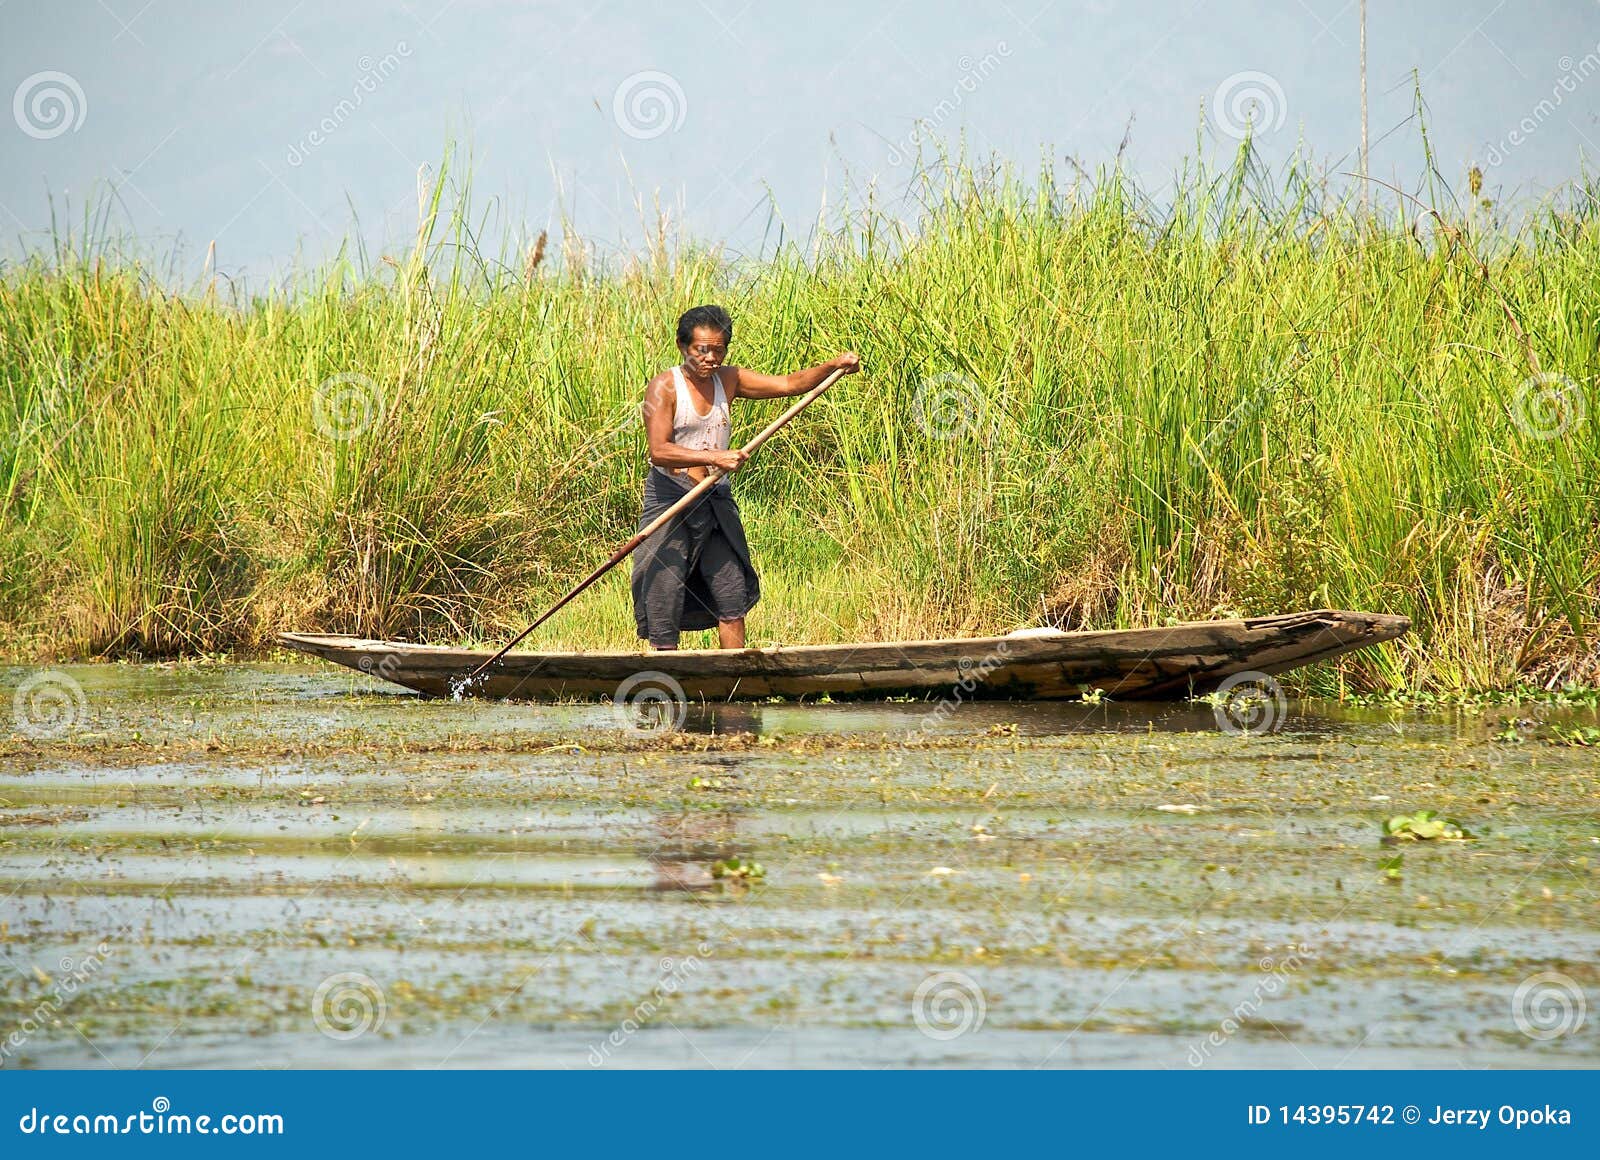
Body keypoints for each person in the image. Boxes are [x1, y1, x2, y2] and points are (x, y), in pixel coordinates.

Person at [631, 304, 860, 650]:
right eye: (701, 350)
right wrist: (714, 456)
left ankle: (734, 676)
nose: (711, 358)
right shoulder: (665, 387)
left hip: (714, 500)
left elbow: (788, 384)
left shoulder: (729, 379)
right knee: (665, 592)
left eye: (719, 350)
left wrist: (833, 366)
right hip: (671, 498)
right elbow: (659, 451)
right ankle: (666, 670)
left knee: (731, 592)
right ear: (682, 346)